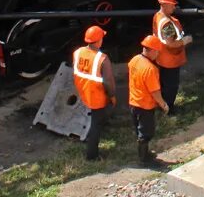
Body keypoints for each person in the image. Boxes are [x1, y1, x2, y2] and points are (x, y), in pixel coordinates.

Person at [72, 25, 117, 162]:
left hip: (83, 90)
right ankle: (92, 155)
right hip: (96, 95)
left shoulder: (78, 52)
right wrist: (112, 95)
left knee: (96, 118)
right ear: (98, 41)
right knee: (96, 124)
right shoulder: (102, 59)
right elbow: (108, 81)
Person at [128, 34, 170, 167]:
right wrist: (163, 104)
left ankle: (145, 154)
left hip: (134, 102)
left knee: (140, 130)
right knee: (146, 133)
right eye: (157, 51)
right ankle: (144, 160)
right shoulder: (150, 69)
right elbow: (155, 91)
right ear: (151, 50)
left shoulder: (134, 60)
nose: (158, 54)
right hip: (145, 106)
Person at [152, 0, 191, 114]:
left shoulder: (157, 16)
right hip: (170, 60)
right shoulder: (166, 24)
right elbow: (170, 43)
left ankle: (162, 105)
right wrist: (185, 41)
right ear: (164, 5)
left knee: (164, 84)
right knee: (171, 86)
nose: (174, 7)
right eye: (172, 5)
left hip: (162, 58)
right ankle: (169, 109)